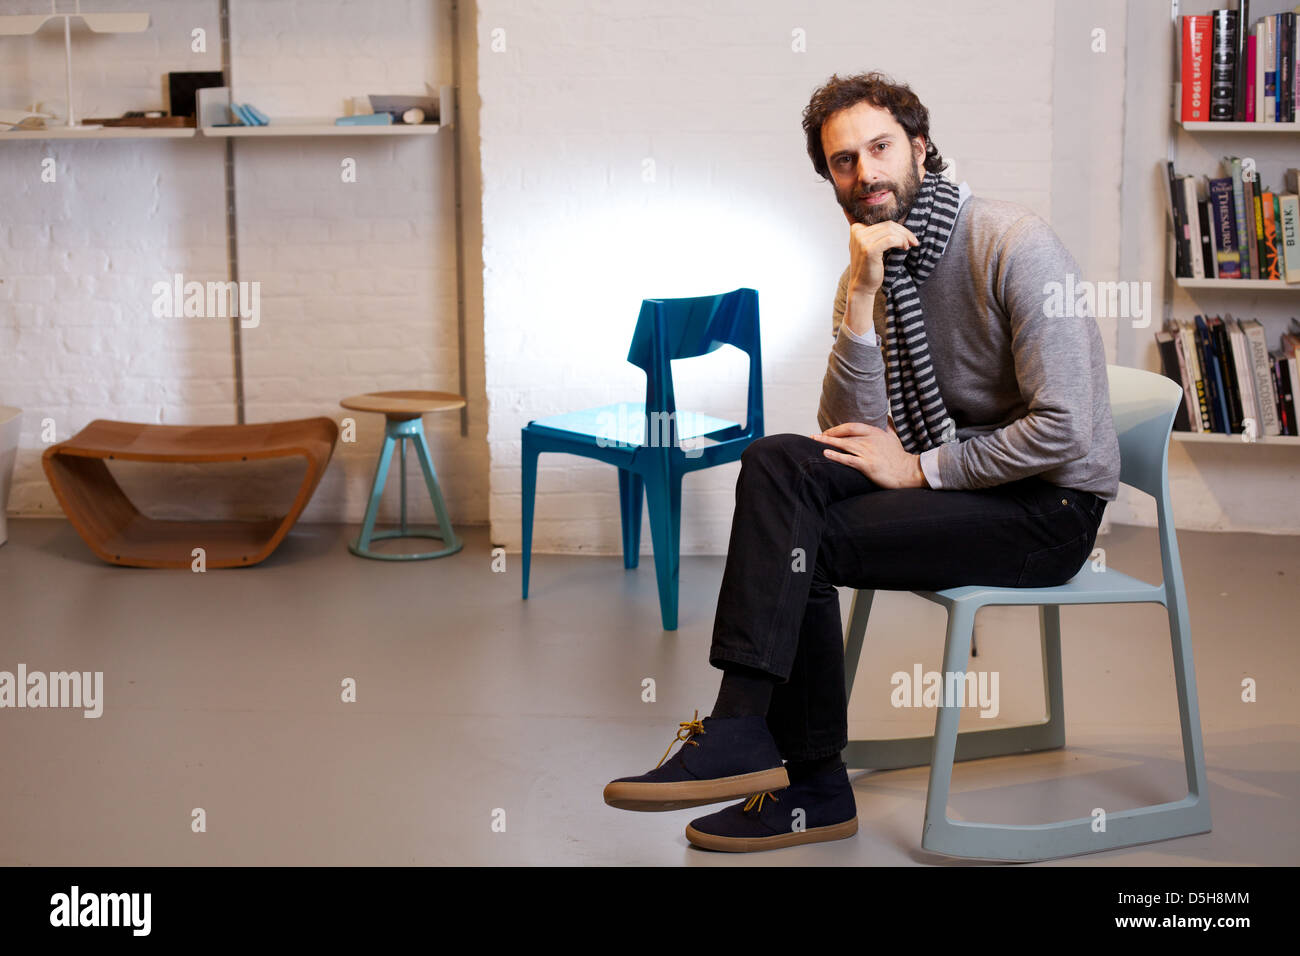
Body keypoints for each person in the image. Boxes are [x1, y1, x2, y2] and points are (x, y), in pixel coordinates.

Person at [603, 71, 1121, 853]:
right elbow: (847, 430)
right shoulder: (876, 263)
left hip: (1048, 511)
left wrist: (922, 469)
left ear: (920, 147)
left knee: (791, 543)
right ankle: (747, 730)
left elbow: (1066, 432)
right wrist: (860, 300)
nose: (865, 173)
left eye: (880, 148)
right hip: (970, 487)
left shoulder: (1015, 243)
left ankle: (804, 780)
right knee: (779, 464)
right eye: (843, 162)